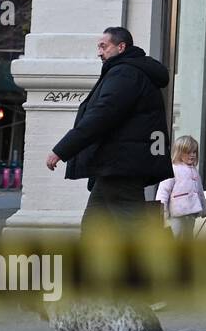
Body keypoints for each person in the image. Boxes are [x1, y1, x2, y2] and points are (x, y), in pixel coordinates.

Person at [46, 26, 174, 232]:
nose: (99, 52)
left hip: (120, 166)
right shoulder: (130, 72)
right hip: (117, 166)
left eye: (104, 46)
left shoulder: (125, 73)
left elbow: (101, 115)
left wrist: (62, 150)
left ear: (121, 47)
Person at [156, 135, 206, 240]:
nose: (192, 155)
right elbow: (163, 191)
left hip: (191, 214)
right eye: (188, 152)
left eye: (194, 152)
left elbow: (200, 192)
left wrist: (204, 209)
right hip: (176, 215)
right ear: (179, 153)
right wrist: (163, 212)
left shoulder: (195, 171)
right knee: (175, 238)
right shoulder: (173, 169)